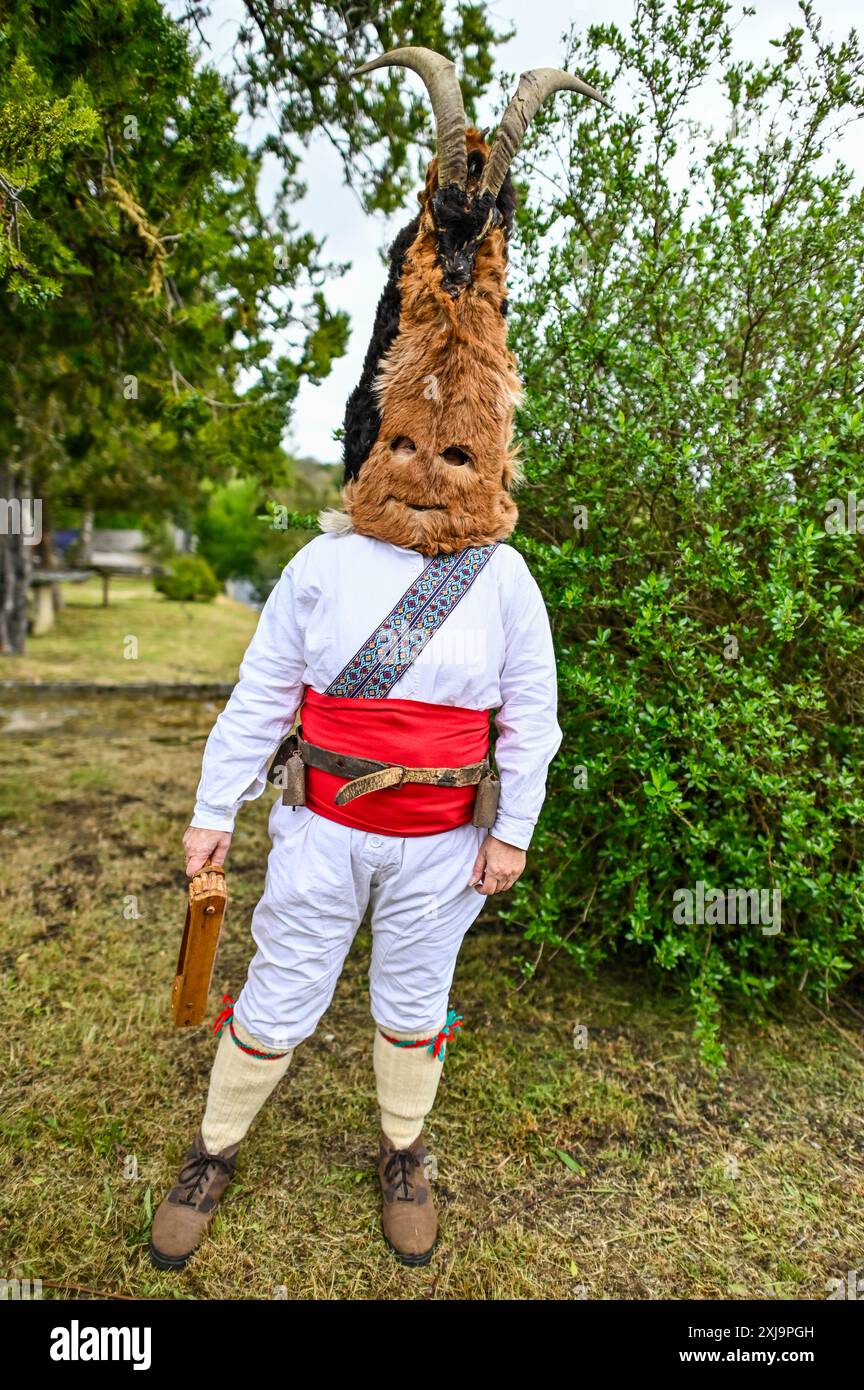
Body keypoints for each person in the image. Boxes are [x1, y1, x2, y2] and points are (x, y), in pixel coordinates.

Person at [150, 45, 607, 1272]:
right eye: (409, 440)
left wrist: (512, 830)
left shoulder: (506, 580)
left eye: (455, 450)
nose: (427, 466)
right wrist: (211, 813)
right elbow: (258, 695)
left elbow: (534, 716)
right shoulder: (323, 561)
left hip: (444, 842)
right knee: (284, 983)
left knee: (411, 1001)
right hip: (321, 826)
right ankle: (215, 1145)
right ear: (380, 429)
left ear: (489, 447)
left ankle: (405, 1146)